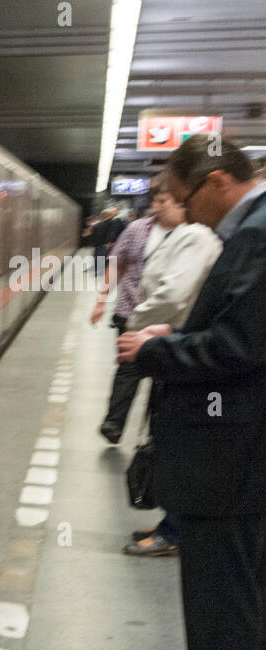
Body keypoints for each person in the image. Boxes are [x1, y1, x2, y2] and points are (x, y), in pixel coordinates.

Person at [118, 135, 266, 650]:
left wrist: (156, 351)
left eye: (181, 199)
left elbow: (238, 347)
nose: (181, 214)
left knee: (220, 602)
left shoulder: (257, 233)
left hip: (230, 458)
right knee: (242, 595)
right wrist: (177, 333)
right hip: (242, 456)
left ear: (213, 182)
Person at [119, 176, 222, 557]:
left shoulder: (197, 236)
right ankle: (170, 523)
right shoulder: (184, 234)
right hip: (171, 341)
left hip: (175, 345)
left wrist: (136, 323)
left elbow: (173, 293)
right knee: (167, 433)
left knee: (174, 438)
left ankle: (175, 530)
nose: (159, 207)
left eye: (169, 200)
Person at [92, 194, 159, 443]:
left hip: (168, 319)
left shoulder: (192, 234)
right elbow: (117, 263)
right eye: (159, 199)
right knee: (128, 369)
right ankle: (114, 422)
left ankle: (156, 432)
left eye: (169, 200)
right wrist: (101, 301)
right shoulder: (136, 229)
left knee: (162, 377)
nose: (161, 205)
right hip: (130, 314)